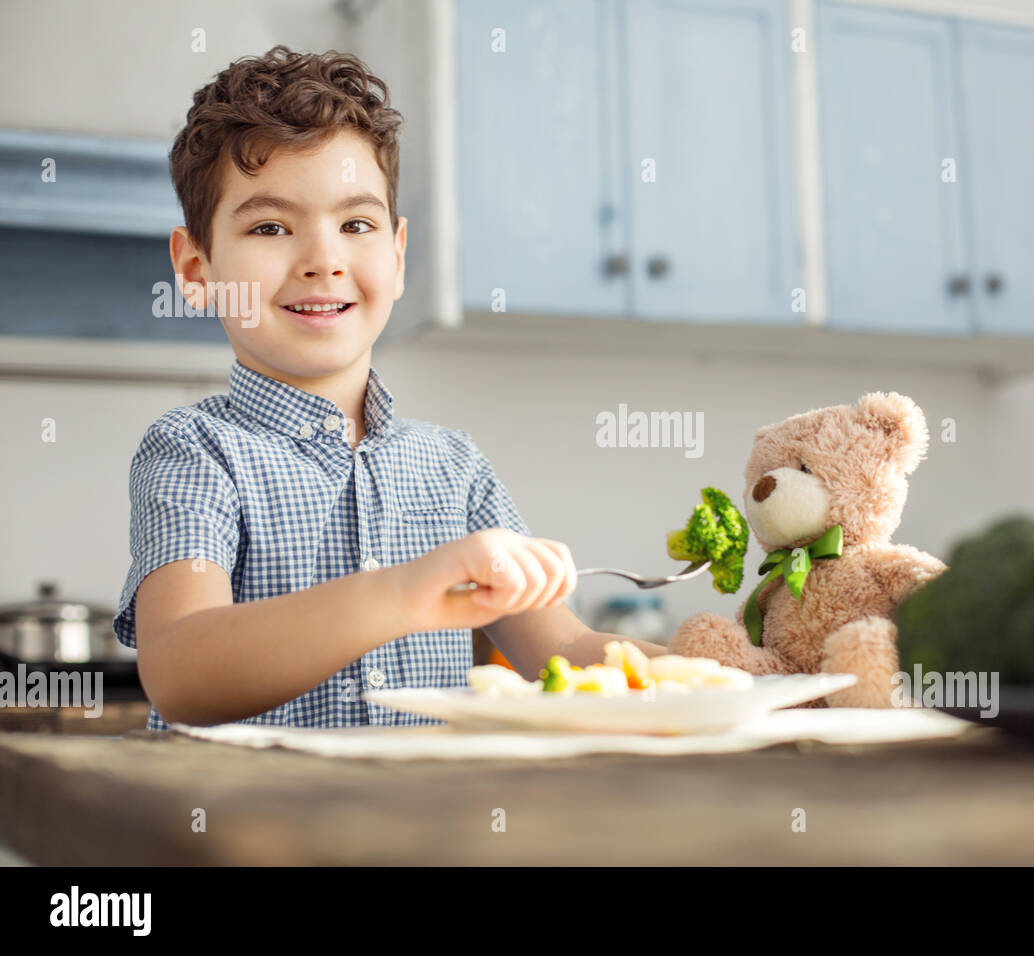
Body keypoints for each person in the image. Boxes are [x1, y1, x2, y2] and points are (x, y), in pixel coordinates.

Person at [113, 45, 665, 731]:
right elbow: (183, 672)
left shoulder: (455, 468)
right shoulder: (193, 451)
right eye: (270, 227)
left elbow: (570, 651)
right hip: (244, 833)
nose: (323, 260)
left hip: (420, 833)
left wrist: (749, 670)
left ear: (398, 256)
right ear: (197, 268)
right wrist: (405, 591)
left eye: (356, 225)